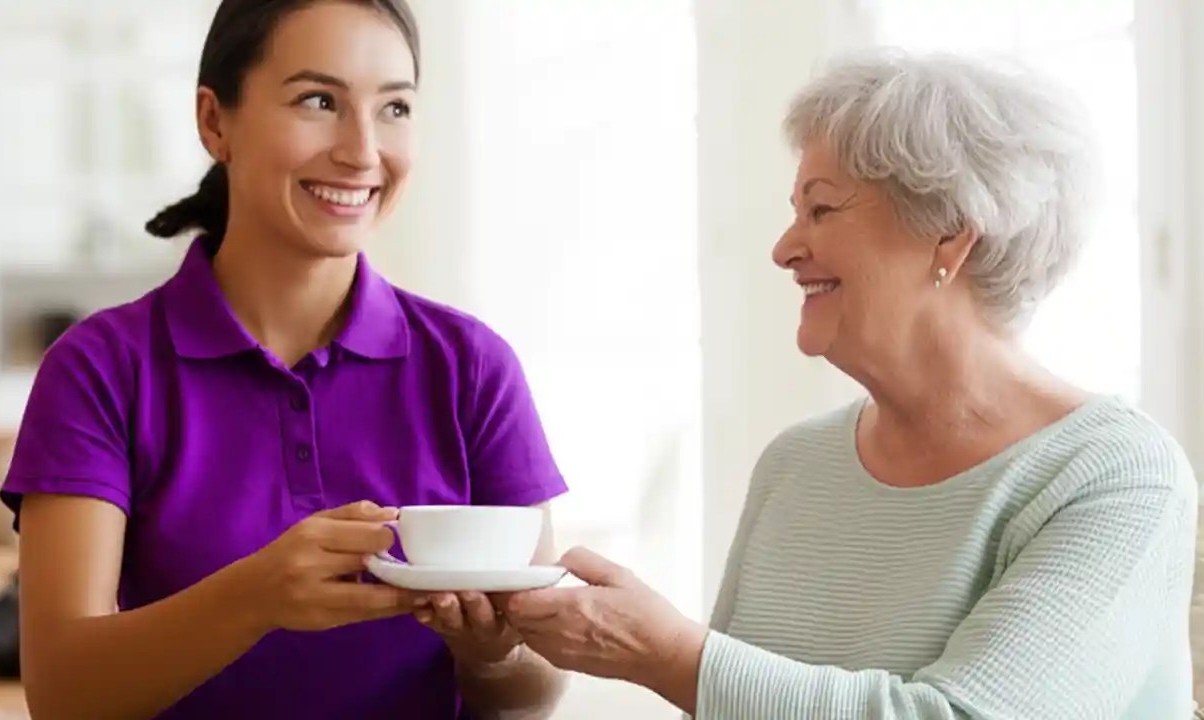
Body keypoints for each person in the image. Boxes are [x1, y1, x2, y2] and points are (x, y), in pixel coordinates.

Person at [496, 50, 1199, 719]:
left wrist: (667, 653)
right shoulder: (795, 465)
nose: (784, 248)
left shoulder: (1114, 475)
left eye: (822, 209)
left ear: (950, 236)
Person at [1, 1, 568, 718]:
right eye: (319, 101)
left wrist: (491, 654)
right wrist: (257, 596)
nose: (363, 151)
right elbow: (63, 695)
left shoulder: (473, 367)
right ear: (215, 122)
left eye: (395, 108)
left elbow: (535, 690)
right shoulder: (99, 370)